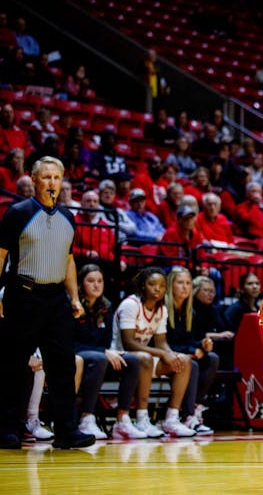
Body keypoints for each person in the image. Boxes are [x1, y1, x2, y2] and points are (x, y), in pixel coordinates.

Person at [0, 156, 95, 449]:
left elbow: (68, 259)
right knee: (13, 366)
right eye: (46, 177)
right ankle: (6, 429)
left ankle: (66, 431)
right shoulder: (17, 213)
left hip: (56, 300)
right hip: (23, 296)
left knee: (63, 367)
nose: (52, 182)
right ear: (34, 179)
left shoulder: (69, 216)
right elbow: (1, 255)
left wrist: (75, 297)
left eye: (56, 177)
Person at [109, 267, 196, 437]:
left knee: (184, 360)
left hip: (143, 357)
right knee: (145, 358)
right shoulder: (130, 305)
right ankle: (142, 419)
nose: (158, 289)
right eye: (152, 284)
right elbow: (129, 343)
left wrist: (171, 355)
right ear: (142, 286)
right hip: (119, 357)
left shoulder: (161, 309)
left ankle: (172, 418)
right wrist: (162, 353)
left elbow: (162, 343)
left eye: (162, 286)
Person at [73, 264, 146, 440]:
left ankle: (122, 419)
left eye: (100, 281)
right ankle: (86, 418)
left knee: (133, 360)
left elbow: (105, 341)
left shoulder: (106, 306)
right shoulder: (73, 305)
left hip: (99, 354)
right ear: (81, 284)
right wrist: (105, 352)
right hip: (76, 354)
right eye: (90, 281)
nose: (96, 285)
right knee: (99, 359)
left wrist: (106, 351)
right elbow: (71, 342)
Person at [164, 267, 216, 435]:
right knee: (191, 364)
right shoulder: (164, 308)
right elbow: (166, 343)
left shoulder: (189, 311)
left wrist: (202, 344)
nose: (185, 287)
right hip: (164, 355)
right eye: (180, 283)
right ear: (171, 285)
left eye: (187, 283)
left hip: (181, 354)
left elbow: (188, 339)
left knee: (212, 358)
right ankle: (186, 415)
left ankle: (196, 408)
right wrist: (193, 349)